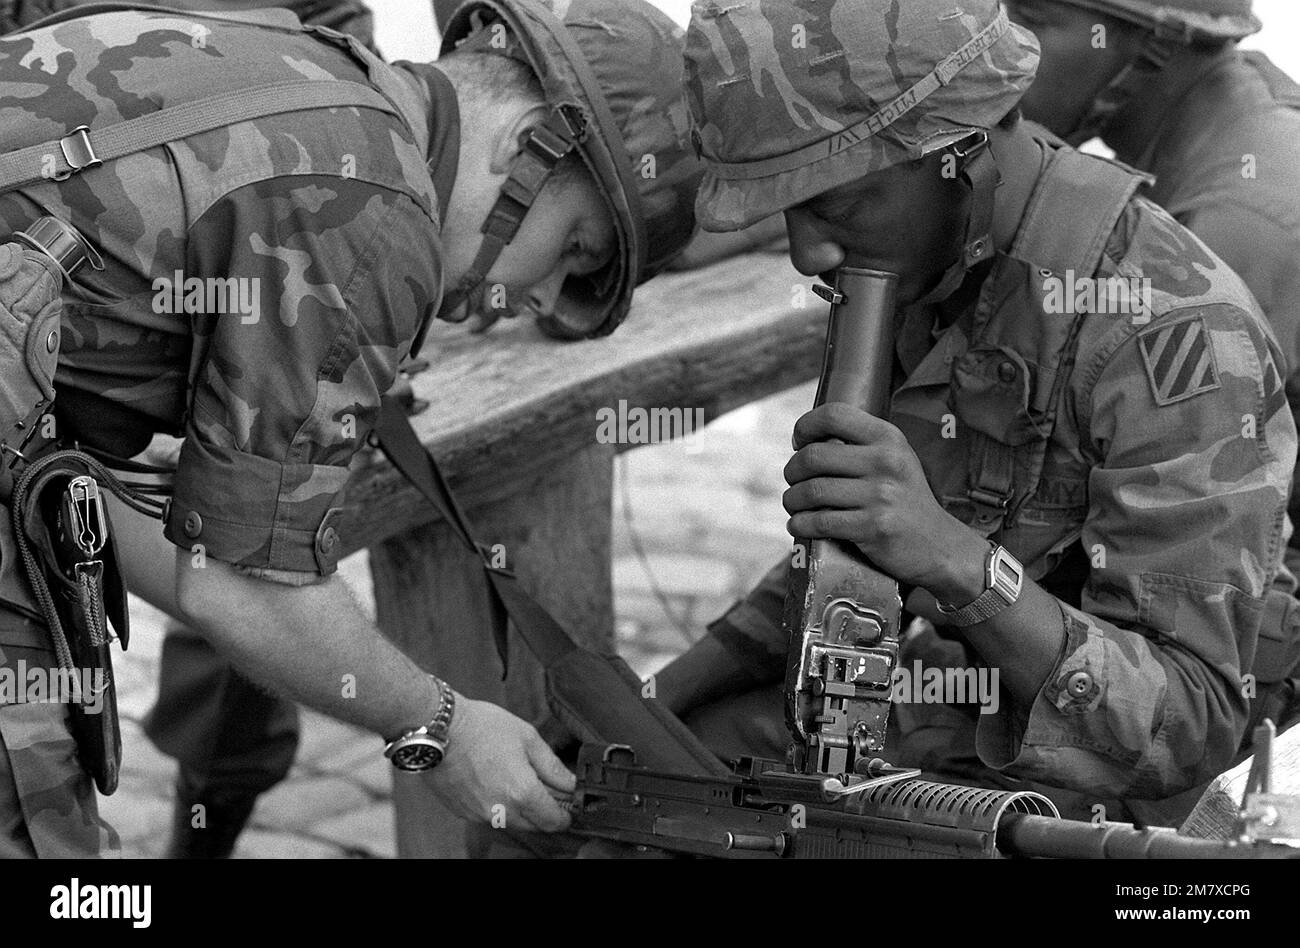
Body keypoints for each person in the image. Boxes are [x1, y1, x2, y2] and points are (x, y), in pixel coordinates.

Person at [0, 0, 702, 857]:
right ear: (527, 146)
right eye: (575, 248)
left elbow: (177, 548)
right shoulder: (377, 213)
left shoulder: (317, 65)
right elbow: (245, 586)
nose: (542, 297)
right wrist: (439, 725)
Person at [655, 0, 1296, 827]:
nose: (807, 253)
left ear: (961, 155)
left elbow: (1189, 727)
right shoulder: (937, 257)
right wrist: (655, 696)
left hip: (1122, 796)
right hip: (963, 701)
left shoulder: (1171, 331)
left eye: (834, 207)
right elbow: (861, 533)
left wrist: (955, 561)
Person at [1003, 0, 1300, 746]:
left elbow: (1191, 538)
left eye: (1032, 17)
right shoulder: (1237, 119)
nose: (999, 41)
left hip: (1240, 662)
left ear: (1157, 45)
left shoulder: (1237, 219)